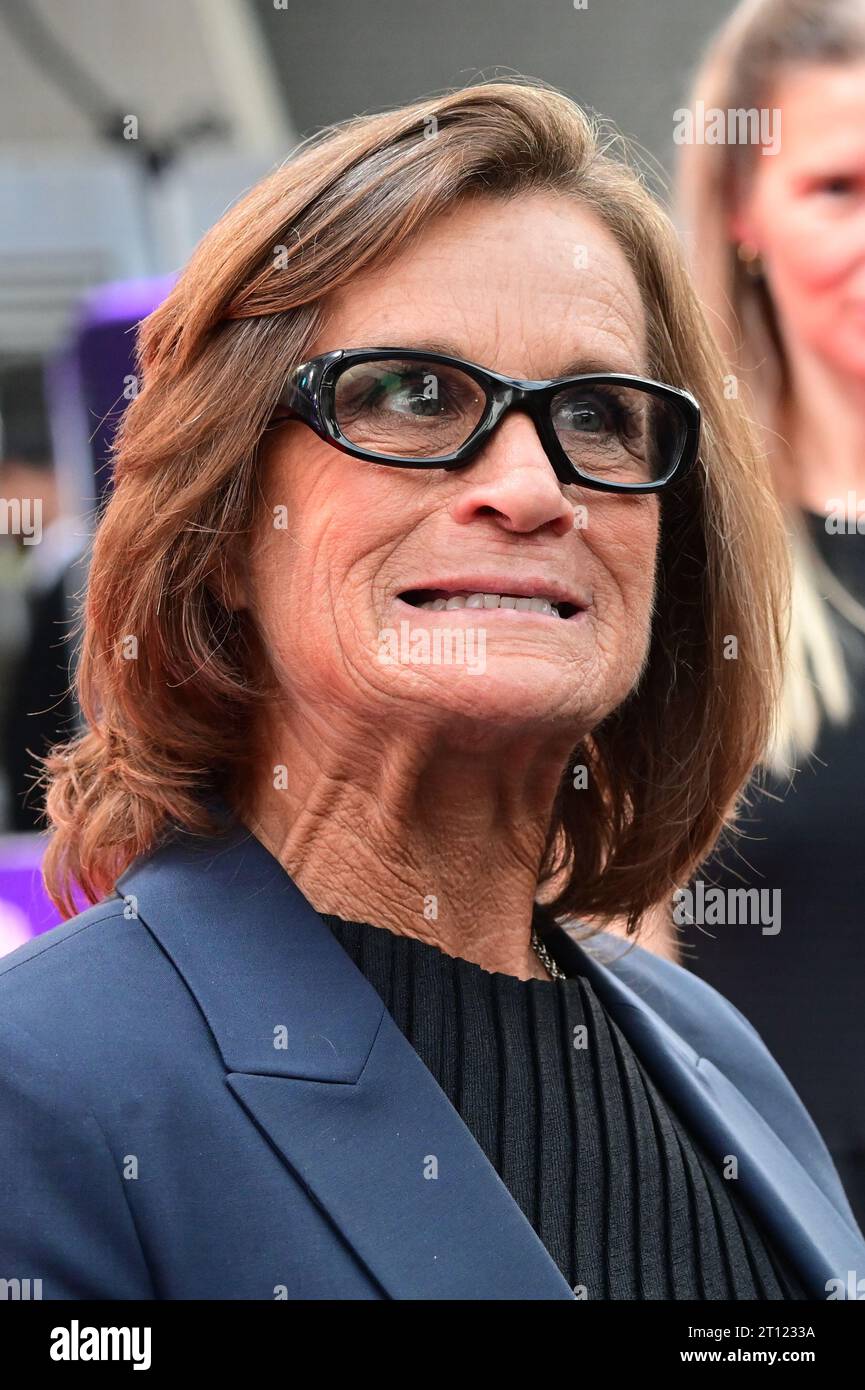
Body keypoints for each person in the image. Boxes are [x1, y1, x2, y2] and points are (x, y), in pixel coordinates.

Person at [0, 80, 861, 1301]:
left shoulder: (716, 1050)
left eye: (600, 416)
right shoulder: (40, 1087)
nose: (531, 486)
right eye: (413, 395)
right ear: (225, 525)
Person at [675, 0, 865, 1227]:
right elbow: (615, 957)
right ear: (744, 215)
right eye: (839, 188)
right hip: (775, 1248)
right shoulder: (679, 550)